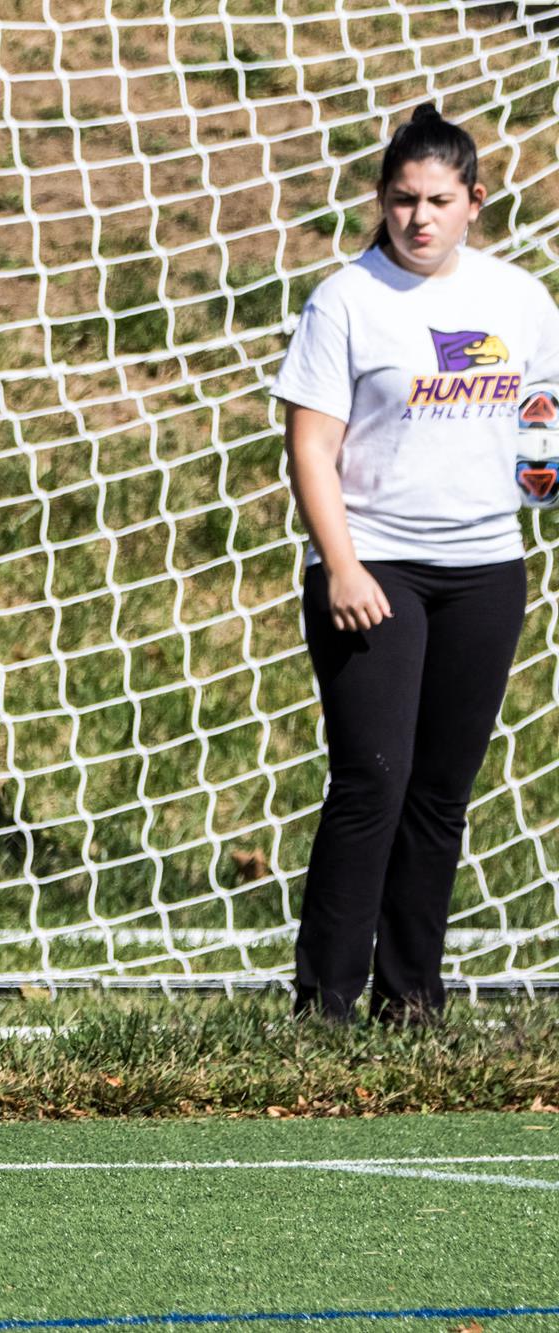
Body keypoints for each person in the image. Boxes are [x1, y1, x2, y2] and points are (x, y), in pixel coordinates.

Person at [272, 104, 559, 1024]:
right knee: (374, 779)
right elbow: (310, 448)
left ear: (476, 201)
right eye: (403, 199)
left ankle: (414, 1002)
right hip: (376, 567)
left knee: (441, 793)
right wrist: (342, 565)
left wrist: (544, 462)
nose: (419, 217)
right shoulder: (346, 300)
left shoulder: (520, 299)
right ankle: (325, 1005)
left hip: (485, 568)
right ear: (382, 200)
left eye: (439, 199)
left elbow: (540, 420)